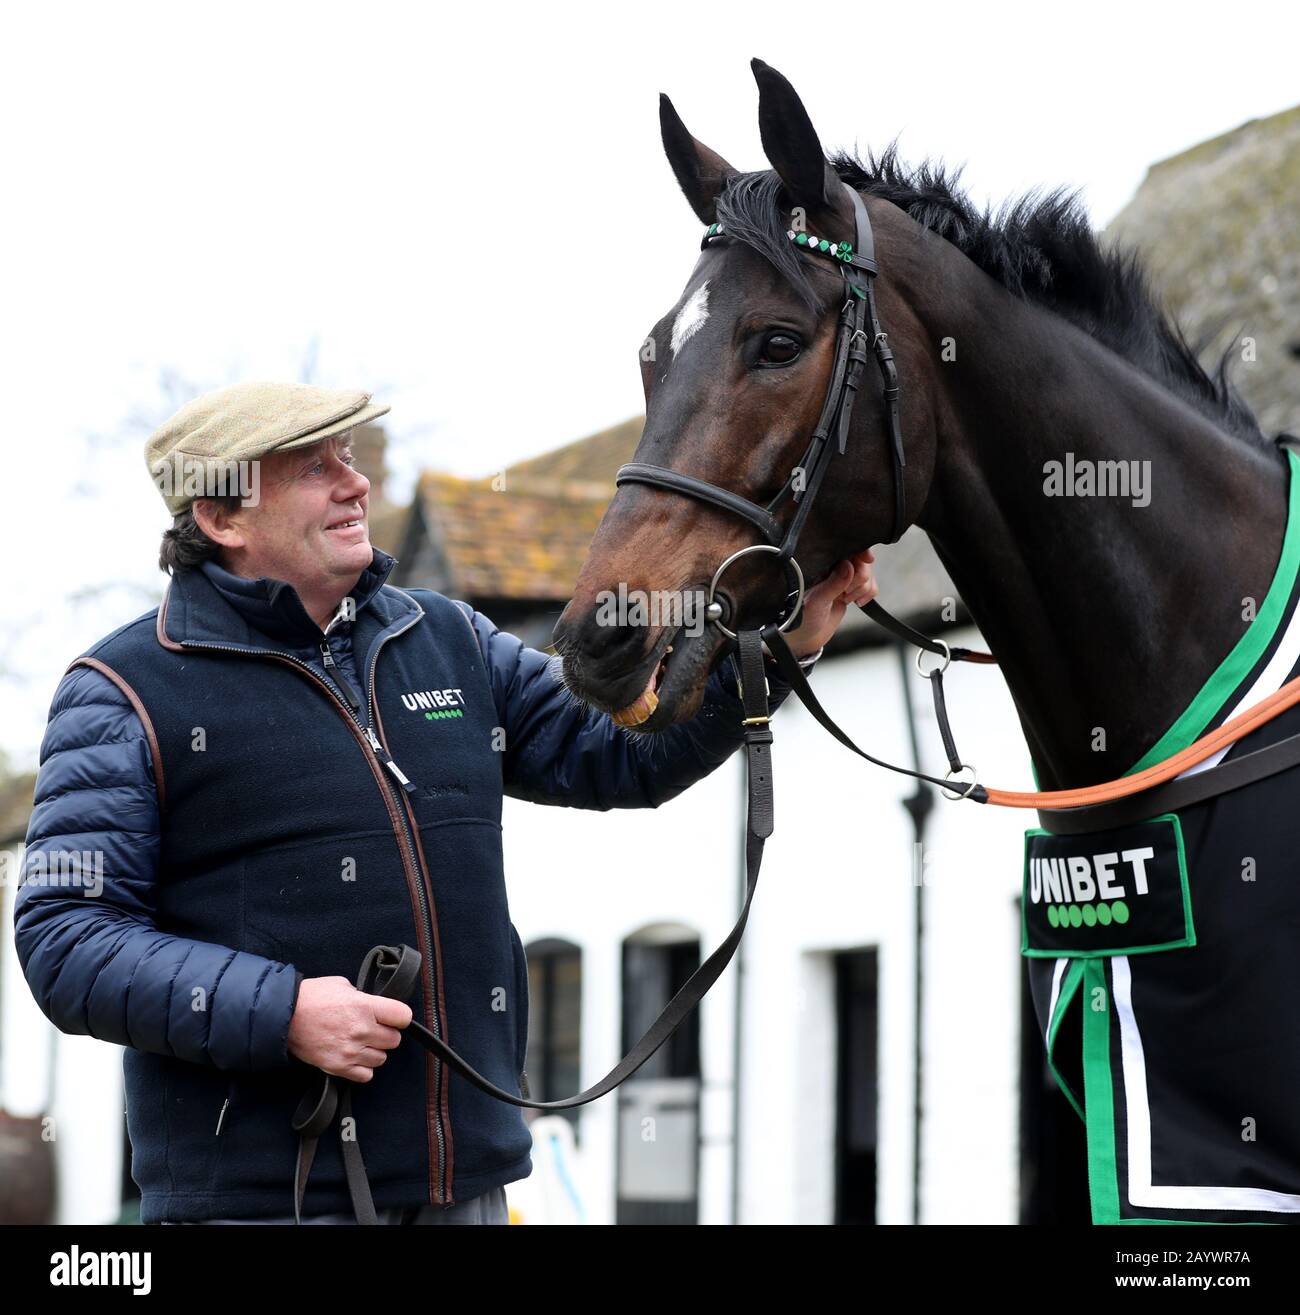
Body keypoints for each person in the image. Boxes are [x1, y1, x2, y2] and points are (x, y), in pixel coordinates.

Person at [13, 381, 878, 1225]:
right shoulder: (122, 689)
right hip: (261, 1203)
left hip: (468, 1183)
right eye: (313, 467)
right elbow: (66, 939)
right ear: (222, 516)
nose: (354, 483)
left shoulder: (447, 637)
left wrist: (774, 652)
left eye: (346, 456)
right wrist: (284, 1013)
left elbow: (620, 754)